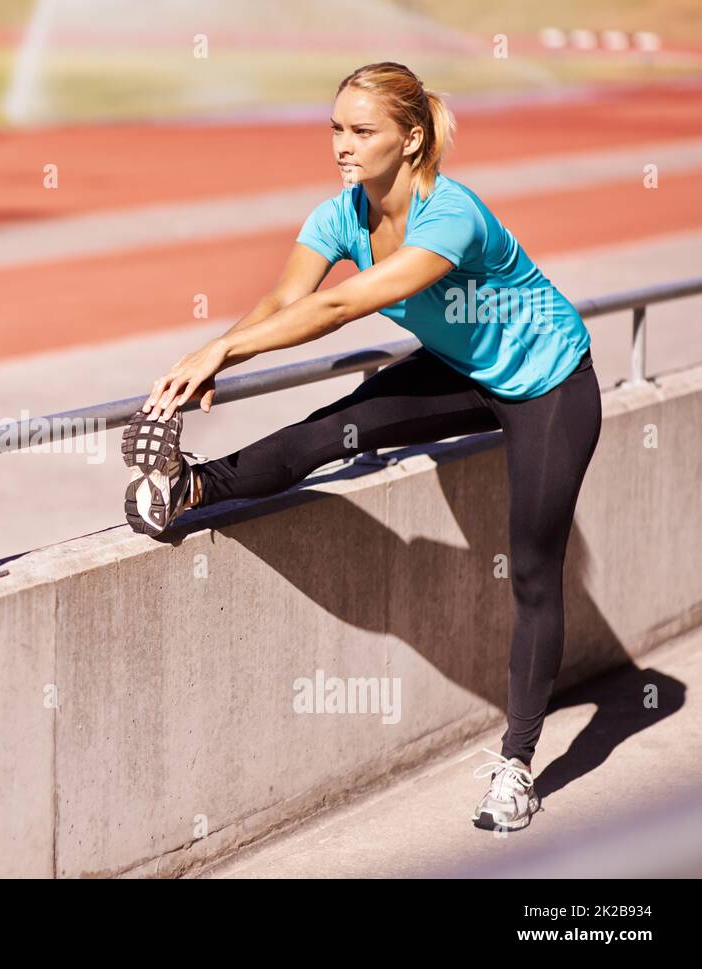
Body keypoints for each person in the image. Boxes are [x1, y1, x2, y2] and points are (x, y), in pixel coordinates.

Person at [121, 62, 601, 831]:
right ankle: (192, 488)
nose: (342, 146)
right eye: (336, 129)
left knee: (535, 568)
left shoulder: (453, 216)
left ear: (410, 139)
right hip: (462, 370)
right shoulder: (342, 214)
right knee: (332, 428)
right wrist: (220, 344)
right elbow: (287, 298)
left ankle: (517, 764)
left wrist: (222, 356)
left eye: (361, 131)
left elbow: (341, 304)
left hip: (550, 384)